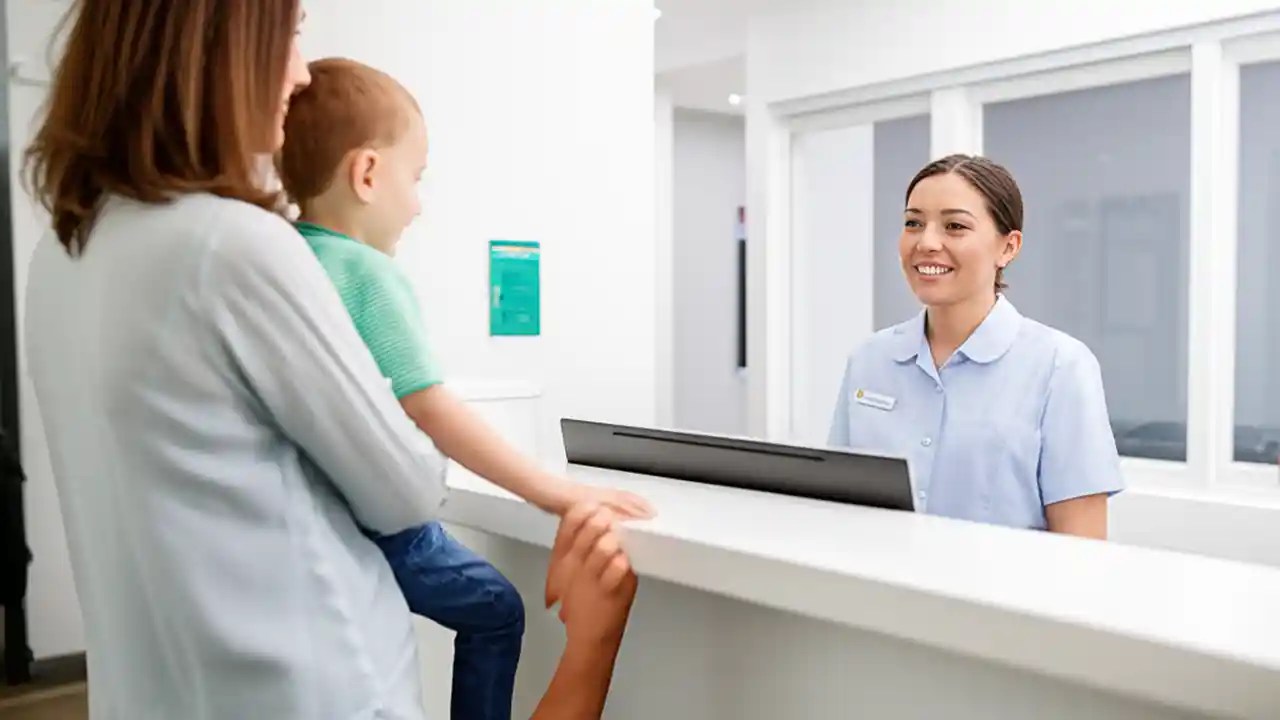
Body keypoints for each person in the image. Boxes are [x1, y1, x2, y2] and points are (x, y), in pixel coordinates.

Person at [23, 2, 637, 718]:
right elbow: (405, 488)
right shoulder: (234, 246)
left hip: (156, 693)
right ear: (220, 46)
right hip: (305, 693)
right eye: (290, 35)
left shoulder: (63, 254)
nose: (300, 70)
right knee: (499, 610)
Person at [274, 56, 652, 720]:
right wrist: (557, 492)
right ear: (367, 174)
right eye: (415, 179)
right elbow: (431, 406)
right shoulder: (367, 274)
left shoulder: (284, 260)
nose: (418, 204)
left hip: (308, 530)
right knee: (499, 611)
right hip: (383, 529)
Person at [829, 154, 1124, 538]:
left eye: (954, 226)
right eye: (913, 223)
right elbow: (836, 510)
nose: (927, 242)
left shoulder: (1059, 366)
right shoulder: (869, 360)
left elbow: (1083, 546)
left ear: (1008, 247)